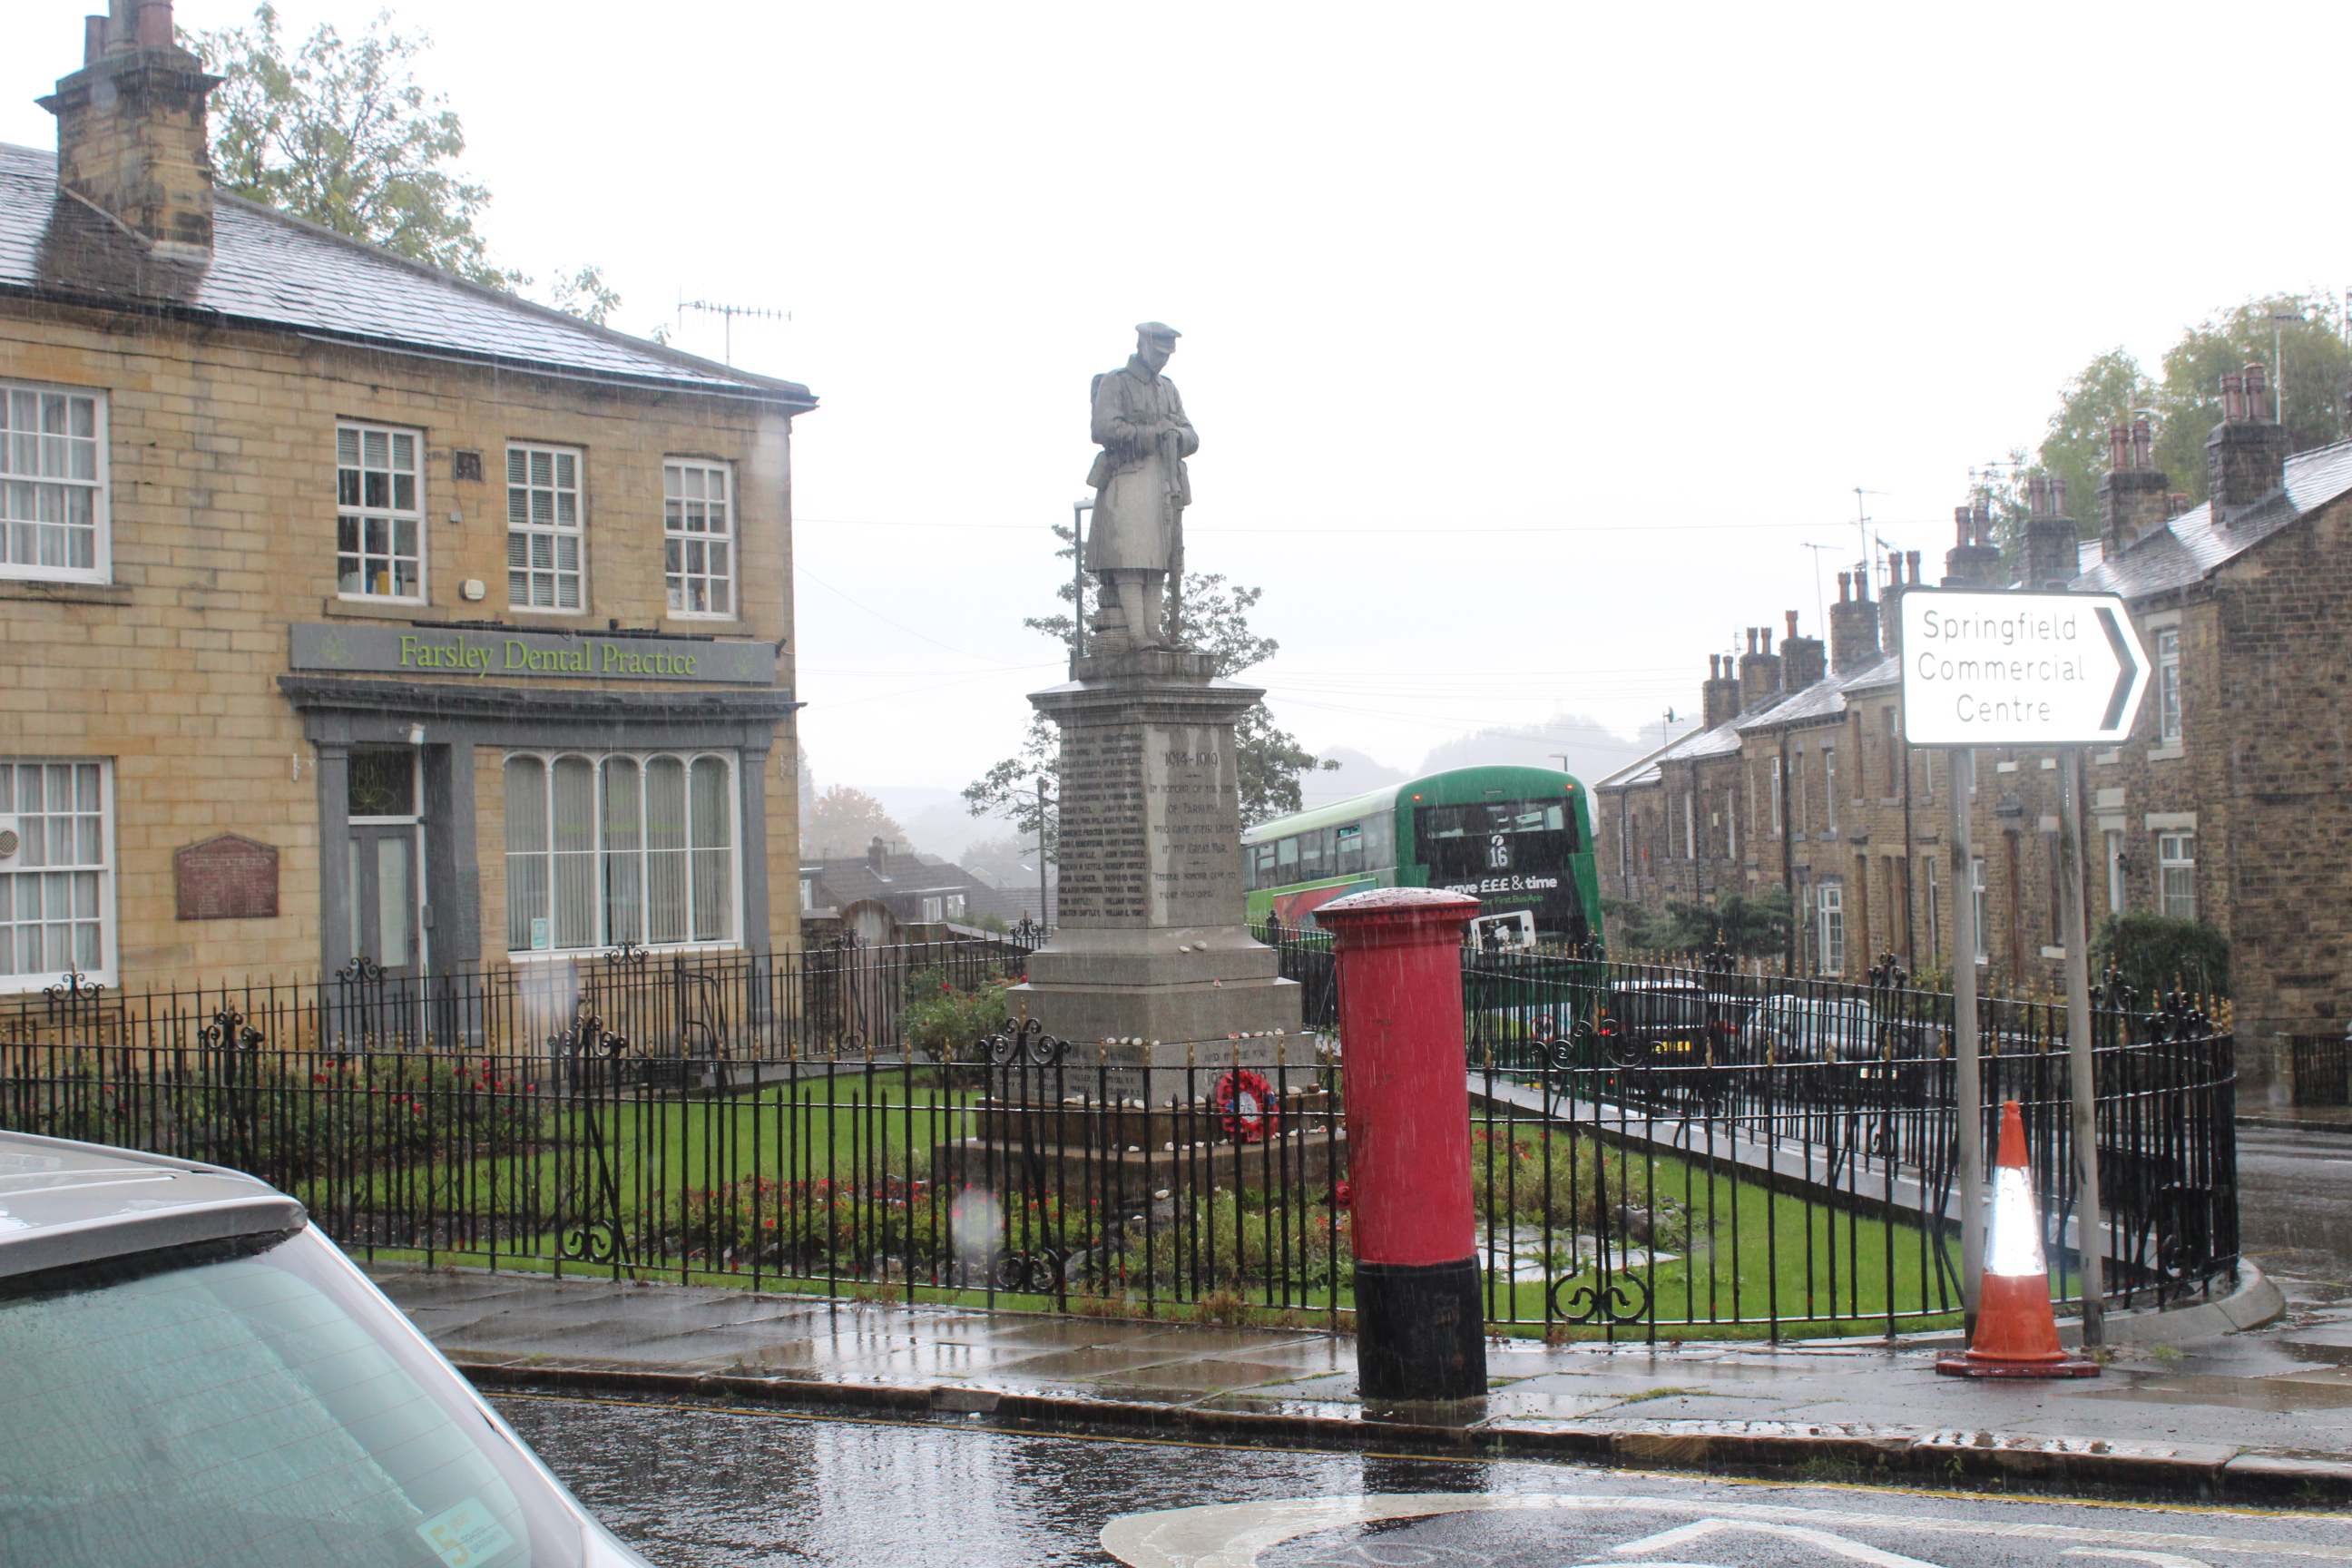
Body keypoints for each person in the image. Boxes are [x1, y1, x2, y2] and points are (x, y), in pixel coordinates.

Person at [1084, 322, 1197, 650]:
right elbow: (1103, 428)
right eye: (1159, 353)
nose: (1163, 361)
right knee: (1131, 556)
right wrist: (1154, 434)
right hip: (1127, 474)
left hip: (1163, 480)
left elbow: (1191, 433)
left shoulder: (1167, 388)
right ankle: (1136, 634)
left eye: (1167, 356)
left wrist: (1177, 435)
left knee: (1159, 560)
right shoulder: (1115, 382)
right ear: (1143, 345)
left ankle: (1154, 631)